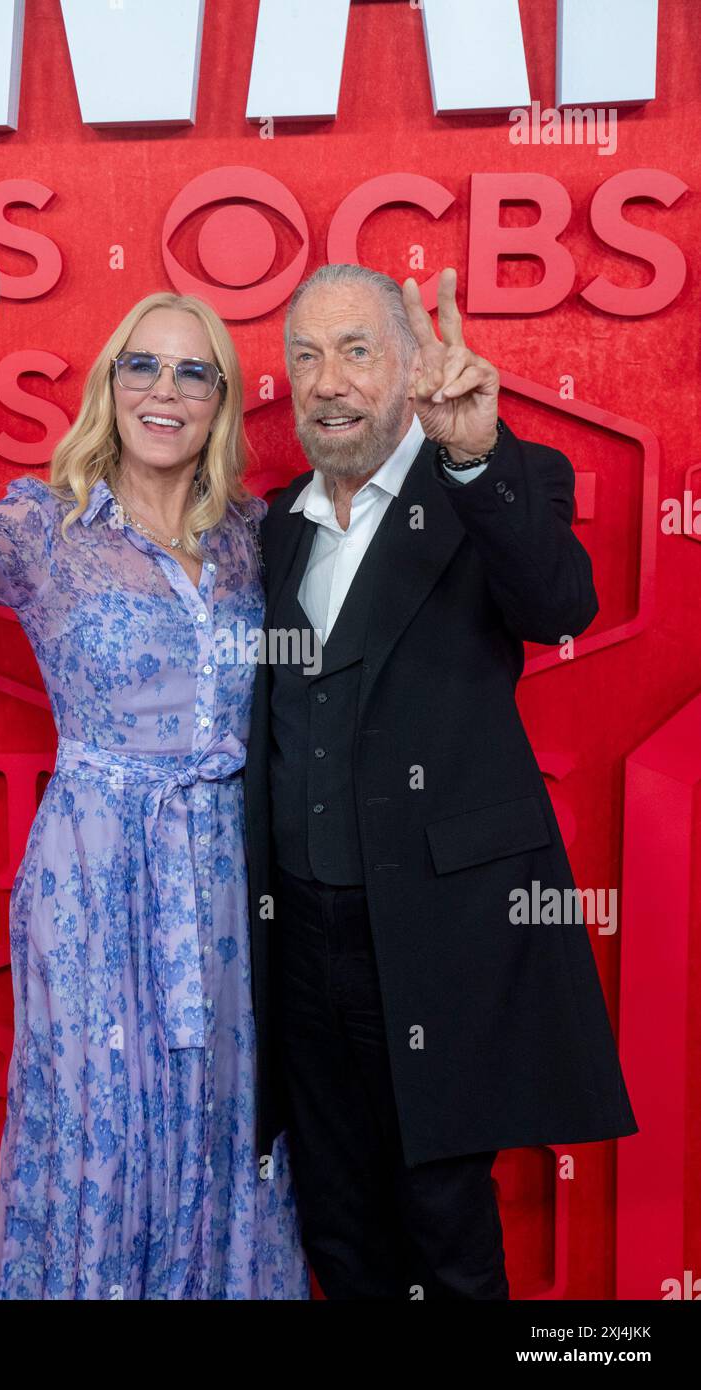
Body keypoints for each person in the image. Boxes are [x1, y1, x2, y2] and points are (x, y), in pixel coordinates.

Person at [0, 251, 309, 1300]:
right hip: (96, 864)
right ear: (110, 385)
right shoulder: (48, 523)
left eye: (193, 373)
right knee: (97, 1106)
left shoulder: (252, 536)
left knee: (224, 1107)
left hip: (228, 871)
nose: (166, 390)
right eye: (142, 367)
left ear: (221, 401)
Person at [243, 262, 639, 1300]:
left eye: (356, 350)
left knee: (443, 1227)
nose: (327, 381)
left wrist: (473, 457)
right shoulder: (274, 523)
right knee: (333, 1220)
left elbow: (559, 606)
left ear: (414, 362)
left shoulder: (496, 478)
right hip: (298, 941)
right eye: (305, 356)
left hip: (435, 931)